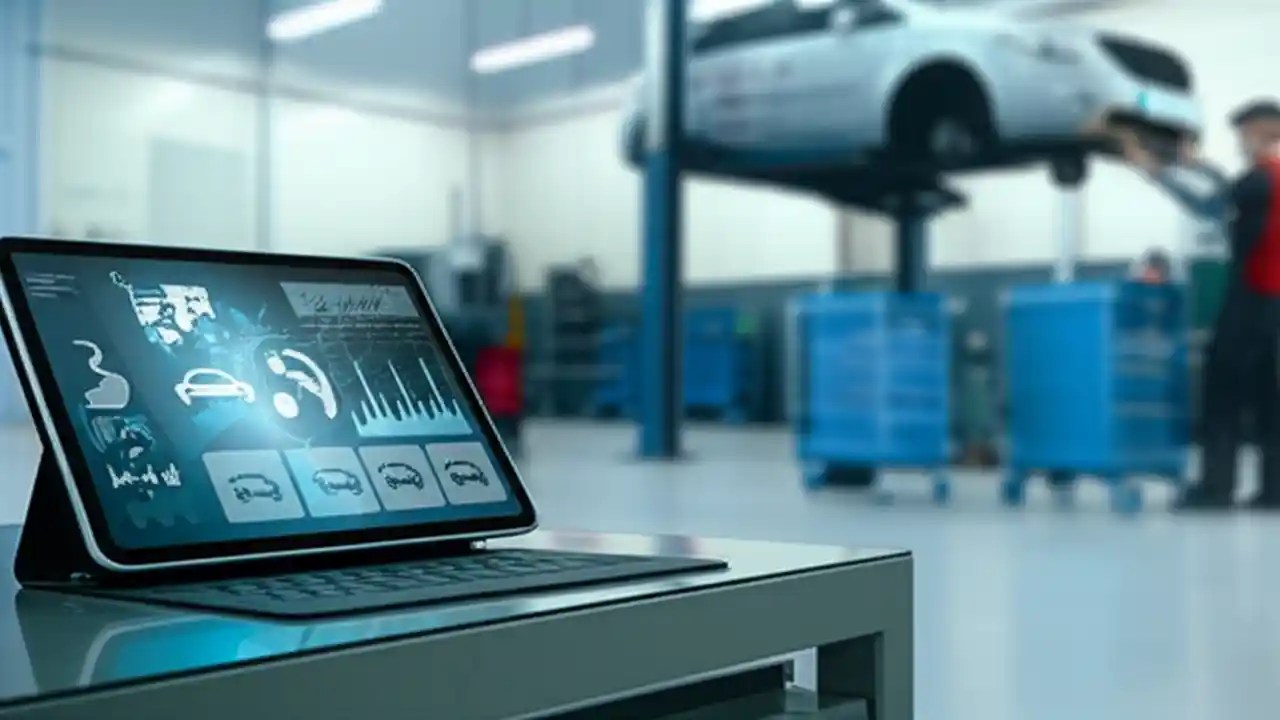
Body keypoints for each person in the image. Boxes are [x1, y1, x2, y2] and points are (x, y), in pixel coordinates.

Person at [1114, 100, 1280, 509]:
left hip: (1252, 296)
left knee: (1221, 390)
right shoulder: (1266, 178)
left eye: (1242, 134)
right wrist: (1194, 163)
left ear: (1260, 131)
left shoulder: (1260, 181)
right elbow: (1229, 188)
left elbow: (1211, 204)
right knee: (1269, 397)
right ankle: (1274, 491)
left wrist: (1156, 173)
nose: (1240, 142)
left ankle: (1214, 488)